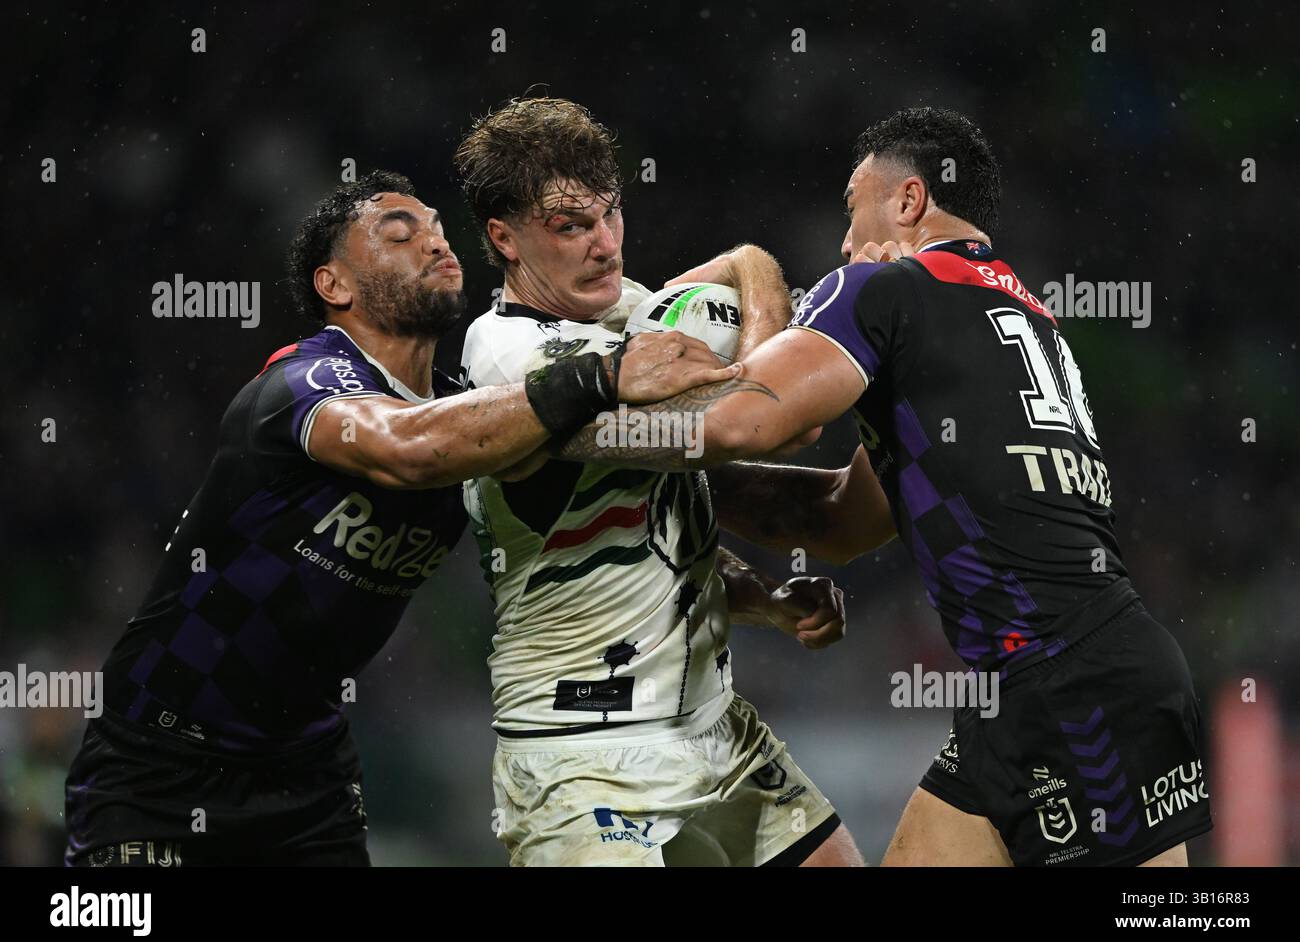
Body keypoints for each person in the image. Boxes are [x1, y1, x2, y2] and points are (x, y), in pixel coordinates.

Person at [558, 107, 1212, 867]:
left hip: (1069, 688)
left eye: (851, 206)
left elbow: (751, 420)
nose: (843, 240)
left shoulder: (882, 287)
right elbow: (838, 523)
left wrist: (562, 425)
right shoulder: (1022, 316)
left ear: (906, 203)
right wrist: (687, 489)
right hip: (1068, 679)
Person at [63, 170, 731, 866]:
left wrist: (740, 586)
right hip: (159, 761)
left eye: (440, 233)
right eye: (400, 235)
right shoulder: (300, 385)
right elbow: (409, 448)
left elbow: (603, 512)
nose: (437, 246)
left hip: (307, 776)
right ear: (335, 286)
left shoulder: (483, 412)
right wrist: (601, 374)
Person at [453, 97, 863, 867]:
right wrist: (751, 267)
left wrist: (764, 602)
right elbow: (776, 416)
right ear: (504, 239)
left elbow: (657, 526)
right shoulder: (507, 357)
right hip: (581, 752)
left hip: (714, 728)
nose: (605, 246)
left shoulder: (636, 311)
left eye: (611, 215)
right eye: (571, 226)